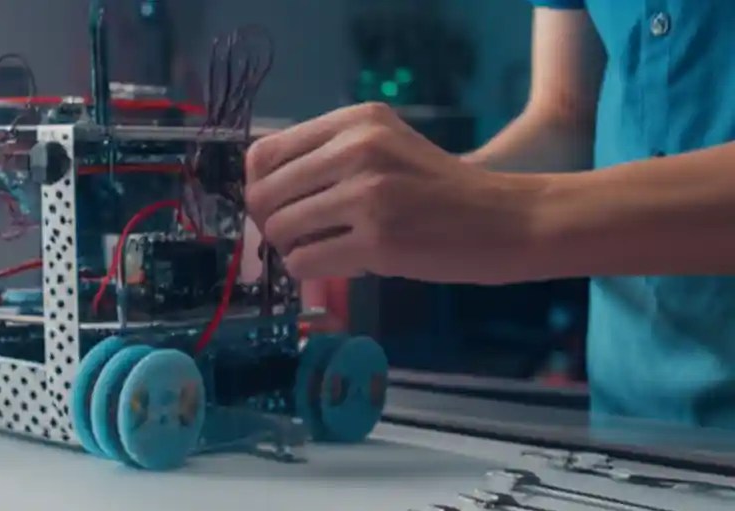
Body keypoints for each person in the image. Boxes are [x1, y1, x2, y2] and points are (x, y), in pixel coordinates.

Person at [244, 1, 735, 429]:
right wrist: (403, 201)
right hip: (631, 422)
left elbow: (513, 203)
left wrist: (510, 214)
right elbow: (565, 118)